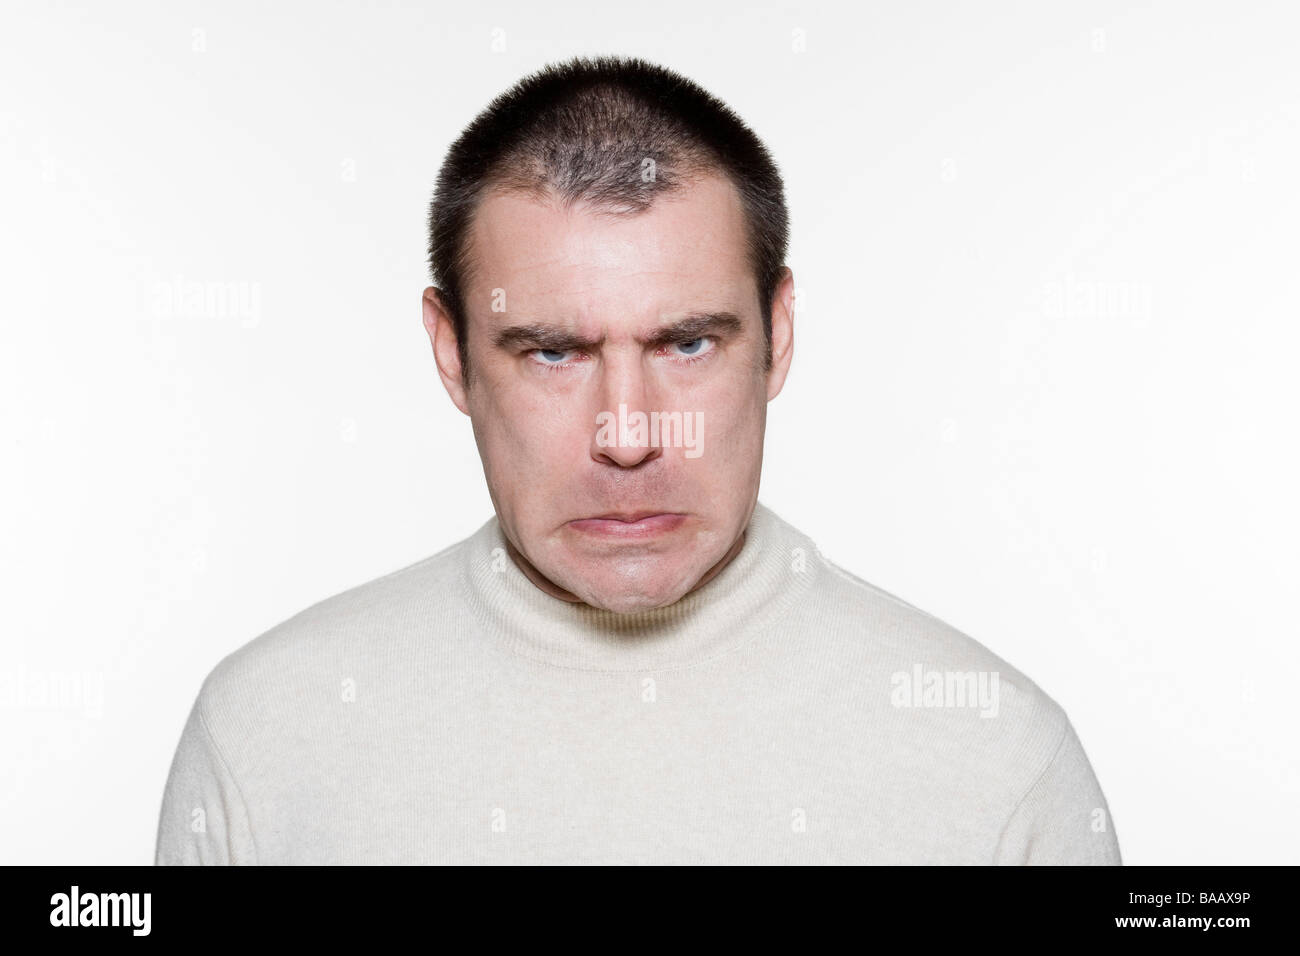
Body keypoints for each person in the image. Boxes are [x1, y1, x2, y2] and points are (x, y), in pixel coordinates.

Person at [155, 55, 1121, 865]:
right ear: (451, 353)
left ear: (779, 336)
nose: (627, 435)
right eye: (553, 352)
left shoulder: (996, 758)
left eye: (686, 344)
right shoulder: (267, 732)